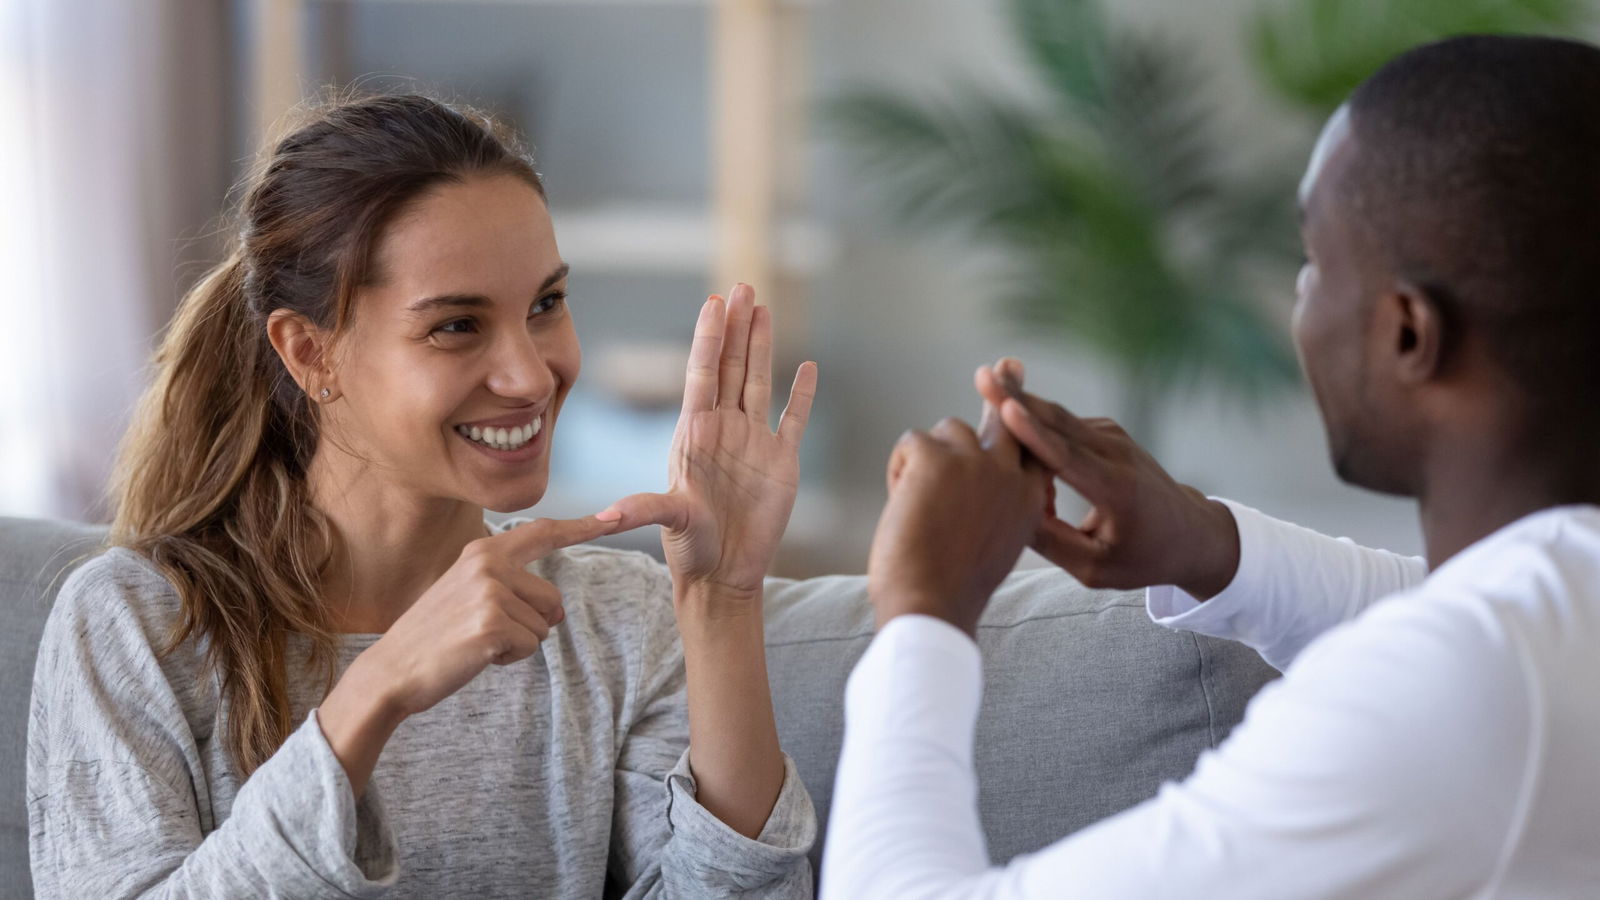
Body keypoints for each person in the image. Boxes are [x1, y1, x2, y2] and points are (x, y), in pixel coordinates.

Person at [823, 34, 1600, 897]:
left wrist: (925, 611)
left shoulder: (1455, 694)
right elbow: (1456, 609)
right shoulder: (1551, 619)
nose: (1301, 300)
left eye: (1314, 265)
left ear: (1409, 332)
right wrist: (1207, 546)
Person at [27, 93, 820, 898]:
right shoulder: (137, 623)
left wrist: (723, 604)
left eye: (546, 305)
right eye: (455, 326)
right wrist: (379, 687)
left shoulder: (620, 622)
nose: (531, 375)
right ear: (310, 353)